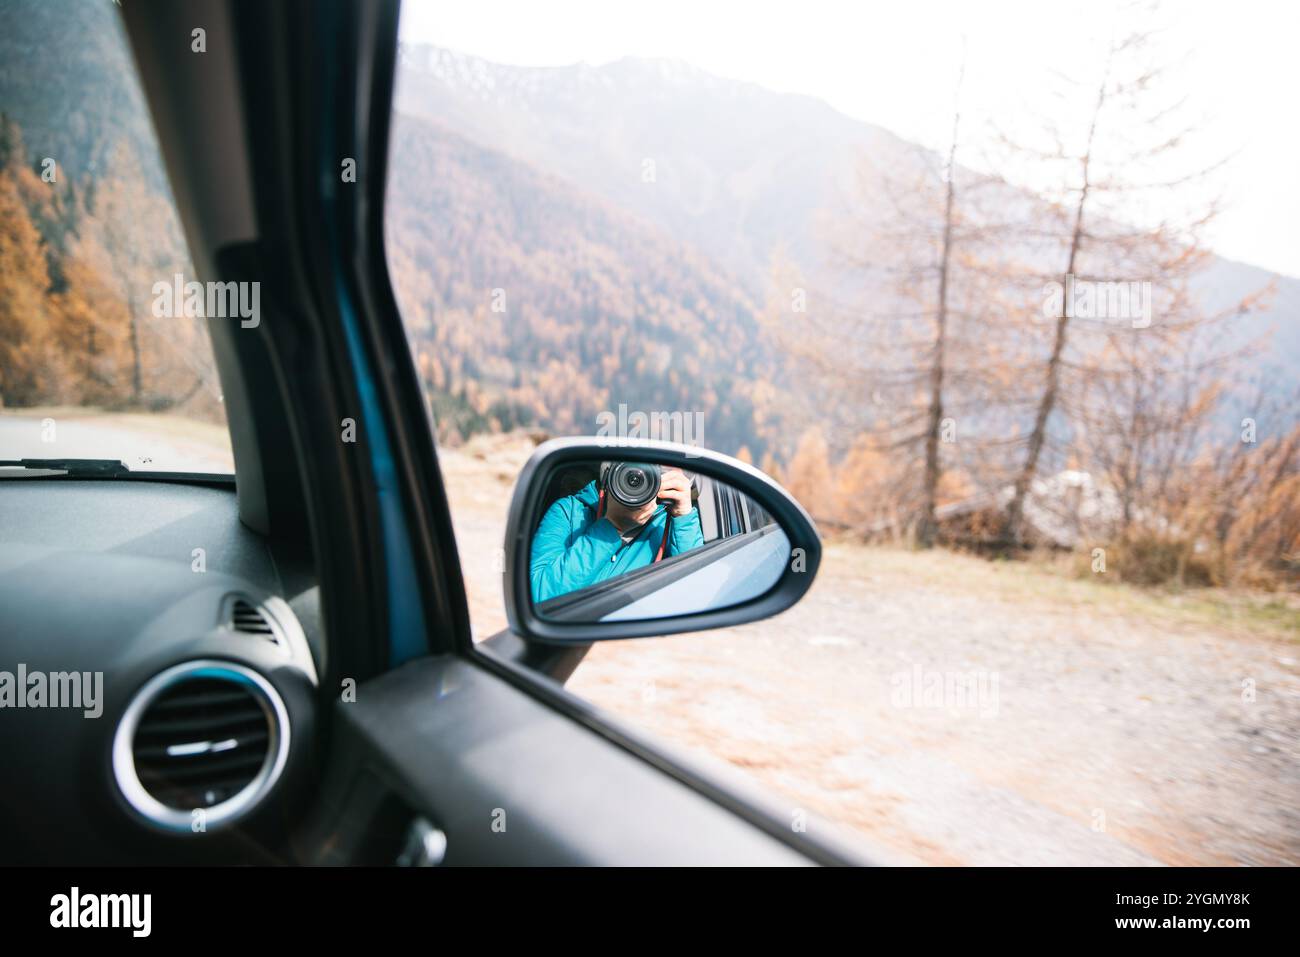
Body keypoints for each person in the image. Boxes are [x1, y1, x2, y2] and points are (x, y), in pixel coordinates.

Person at [530, 465, 704, 603]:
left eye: (656, 469)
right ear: (608, 470)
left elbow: (693, 595)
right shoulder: (569, 511)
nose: (637, 479)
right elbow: (538, 596)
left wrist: (683, 517)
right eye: (630, 468)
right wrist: (613, 526)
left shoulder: (669, 523)